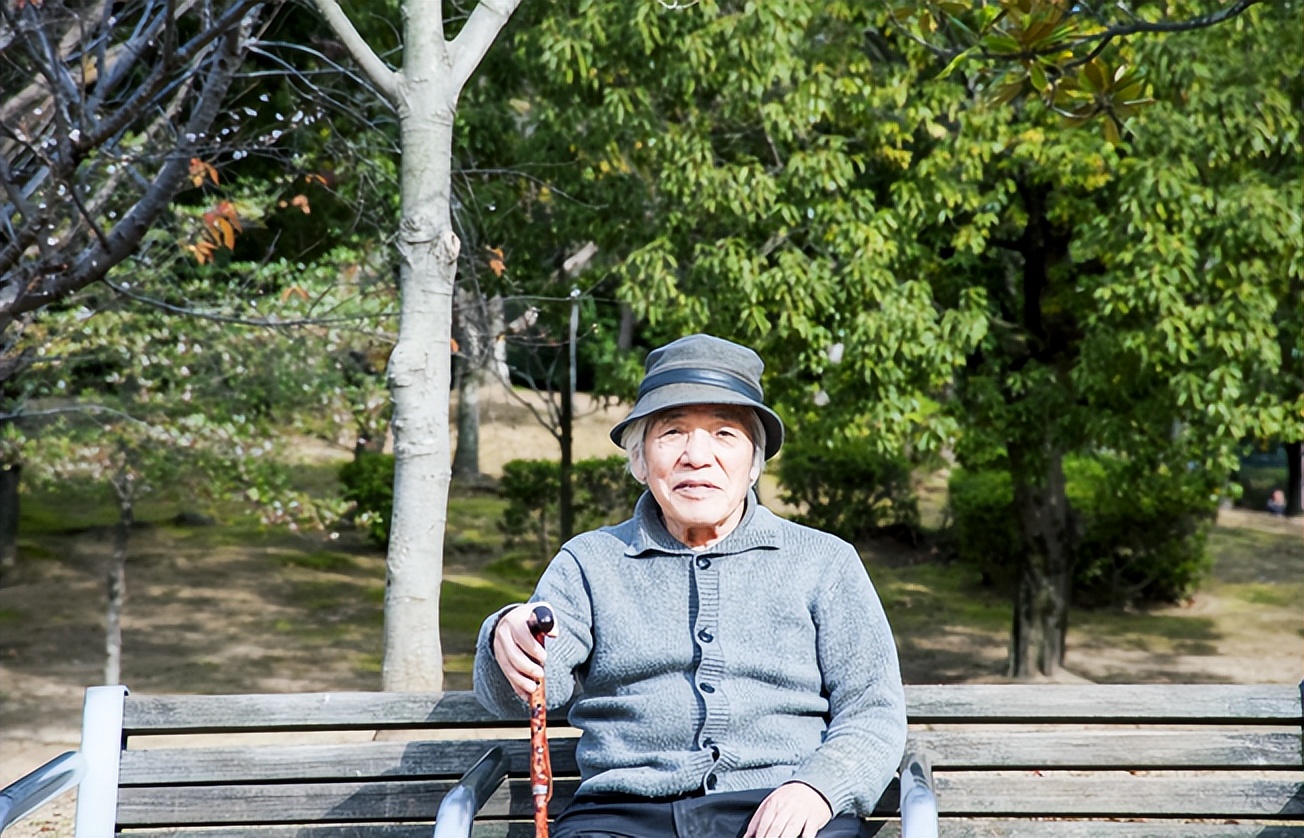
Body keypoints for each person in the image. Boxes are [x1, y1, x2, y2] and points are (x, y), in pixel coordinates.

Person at [473, 334, 907, 838]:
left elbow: (872, 710)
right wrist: (507, 634)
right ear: (640, 461)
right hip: (620, 819)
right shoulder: (590, 562)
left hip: (780, 809)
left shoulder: (824, 562)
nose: (696, 456)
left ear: (753, 462)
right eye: (673, 433)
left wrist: (818, 789)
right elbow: (526, 694)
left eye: (724, 434)